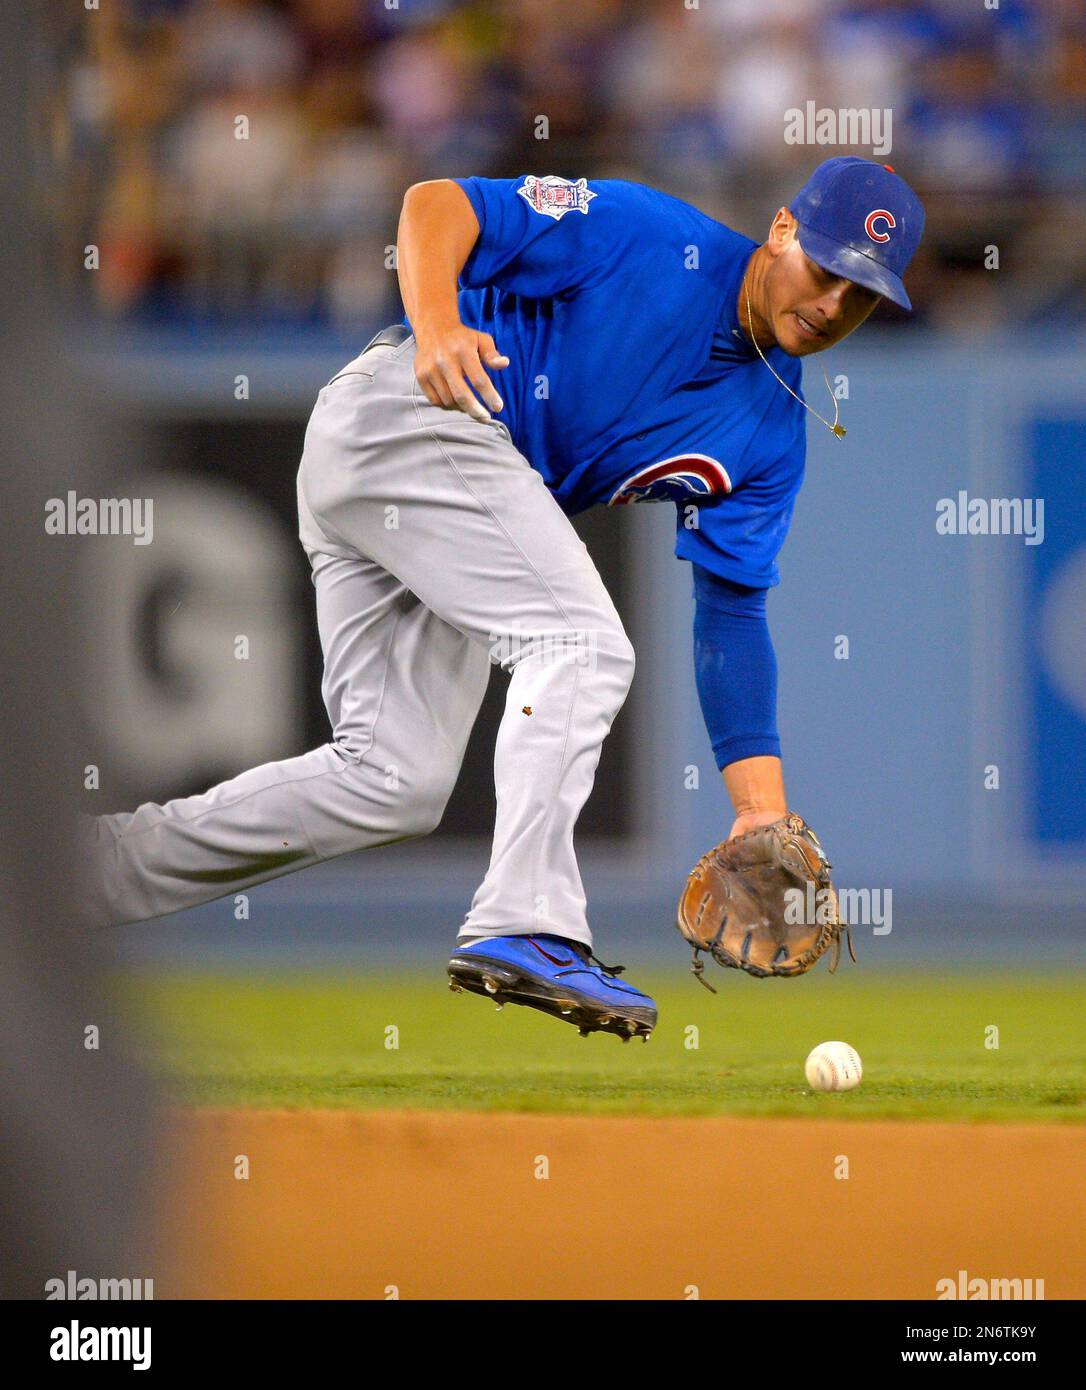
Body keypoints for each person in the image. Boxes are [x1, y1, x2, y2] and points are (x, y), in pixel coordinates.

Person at [82, 157, 924, 1043]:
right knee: (581, 646)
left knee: (391, 781)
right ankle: (527, 919)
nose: (833, 305)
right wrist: (438, 322)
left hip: (446, 496)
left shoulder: (773, 434)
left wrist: (760, 810)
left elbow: (732, 613)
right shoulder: (653, 237)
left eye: (861, 296)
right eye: (827, 272)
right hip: (413, 413)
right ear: (784, 230)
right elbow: (434, 204)